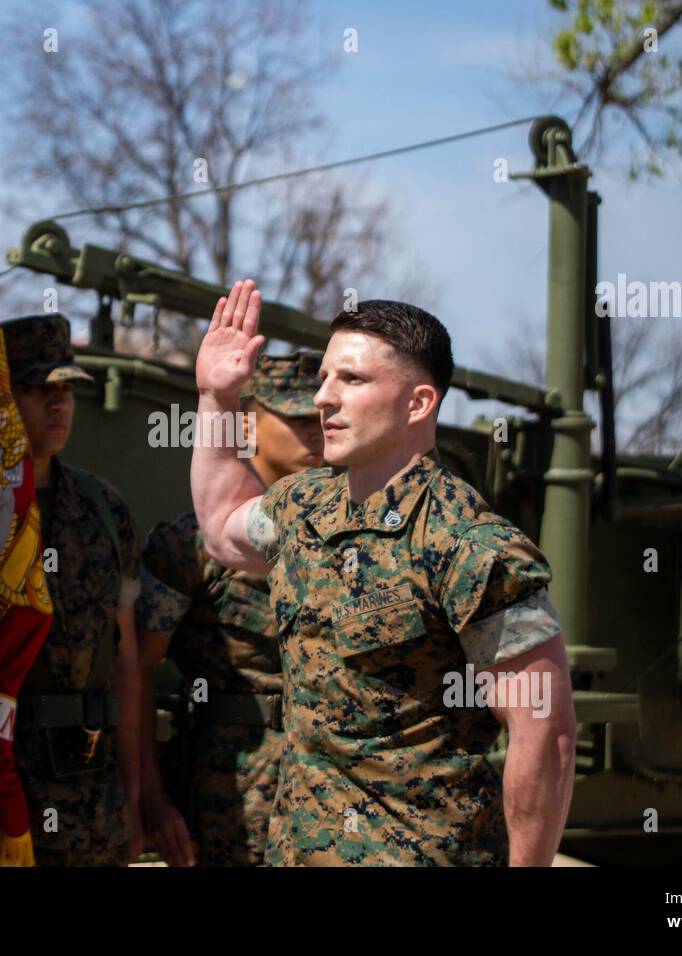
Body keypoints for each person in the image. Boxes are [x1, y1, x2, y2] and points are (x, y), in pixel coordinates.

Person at [190, 284, 577, 866]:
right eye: (325, 378)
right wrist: (216, 398)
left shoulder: (469, 545)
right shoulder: (305, 507)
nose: (324, 398)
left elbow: (545, 734)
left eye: (352, 380)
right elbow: (221, 525)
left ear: (418, 404)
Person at [137, 352, 324, 867]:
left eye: (323, 418)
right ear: (247, 425)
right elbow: (135, 668)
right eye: (298, 417)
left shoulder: (347, 535)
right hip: (233, 794)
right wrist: (149, 798)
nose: (318, 433)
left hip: (335, 783)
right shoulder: (190, 547)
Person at [2, 313, 141, 867]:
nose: (59, 405)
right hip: (6, 784)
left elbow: (126, 659)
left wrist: (134, 795)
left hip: (94, 795)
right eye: (39, 390)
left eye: (67, 390)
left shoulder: (104, 508)